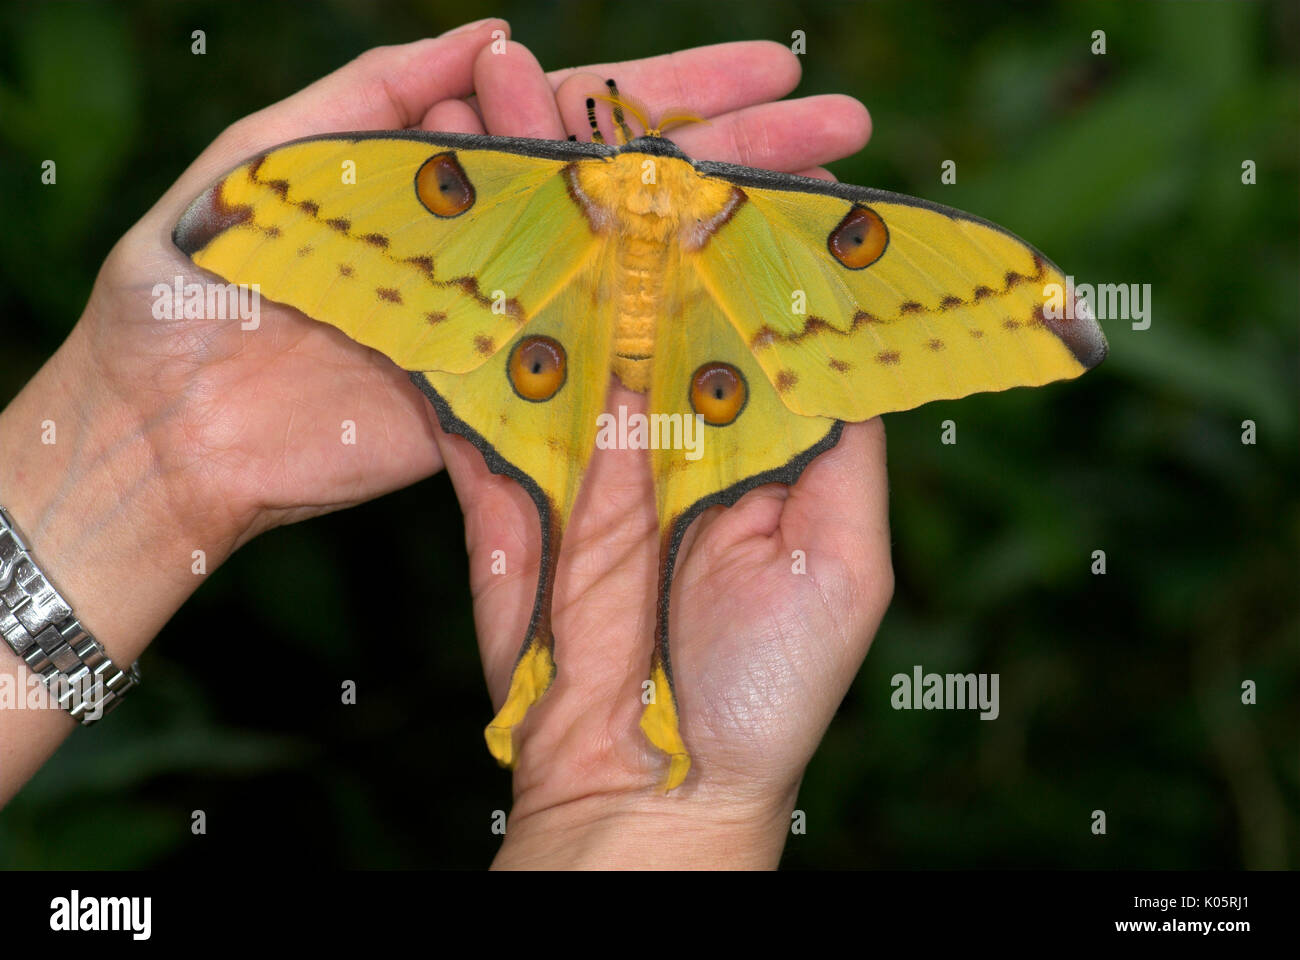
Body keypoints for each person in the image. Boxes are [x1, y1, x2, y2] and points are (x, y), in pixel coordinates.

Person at [0, 18, 892, 868]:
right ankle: (630, 746)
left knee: (620, 518)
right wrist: (146, 438)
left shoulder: (576, 181)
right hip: (571, 338)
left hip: (602, 335)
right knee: (564, 505)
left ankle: (638, 741)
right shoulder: (574, 183)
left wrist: (132, 444)